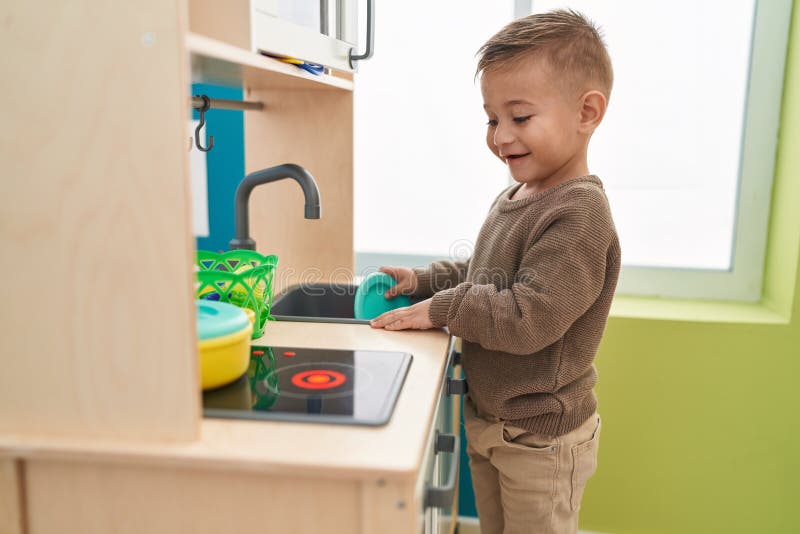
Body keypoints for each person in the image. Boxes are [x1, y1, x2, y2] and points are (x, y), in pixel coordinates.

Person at [369, 9, 621, 534]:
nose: (500, 135)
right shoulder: (518, 195)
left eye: (520, 117)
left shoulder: (578, 215)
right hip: (494, 423)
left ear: (587, 111)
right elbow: (486, 275)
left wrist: (441, 309)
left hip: (540, 440)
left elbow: (529, 316)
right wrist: (425, 282)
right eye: (491, 118)